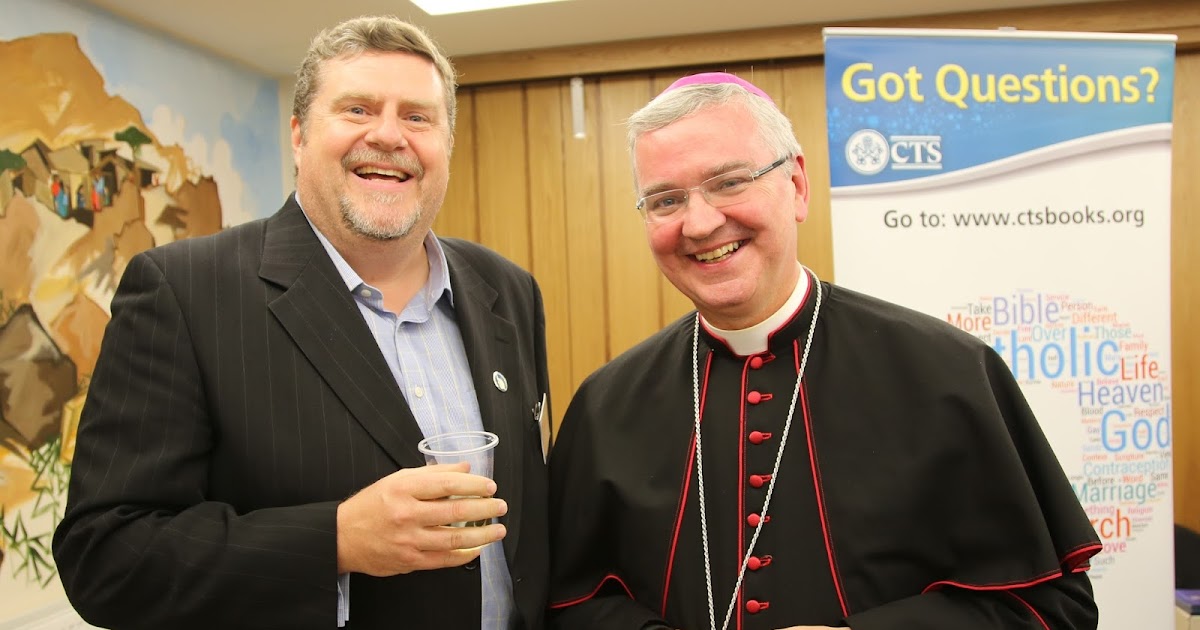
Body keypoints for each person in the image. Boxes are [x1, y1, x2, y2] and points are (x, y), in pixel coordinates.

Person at [547, 72, 1101, 630]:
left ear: (797, 186)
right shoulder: (606, 404)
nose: (700, 222)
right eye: (666, 200)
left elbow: (1050, 608)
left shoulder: (948, 371)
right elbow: (570, 603)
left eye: (730, 183)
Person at [52, 16, 550, 630]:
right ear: (298, 135)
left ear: (446, 144)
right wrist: (335, 540)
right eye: (357, 109)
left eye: (418, 117)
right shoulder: (182, 292)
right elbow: (105, 556)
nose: (389, 136)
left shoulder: (507, 289)